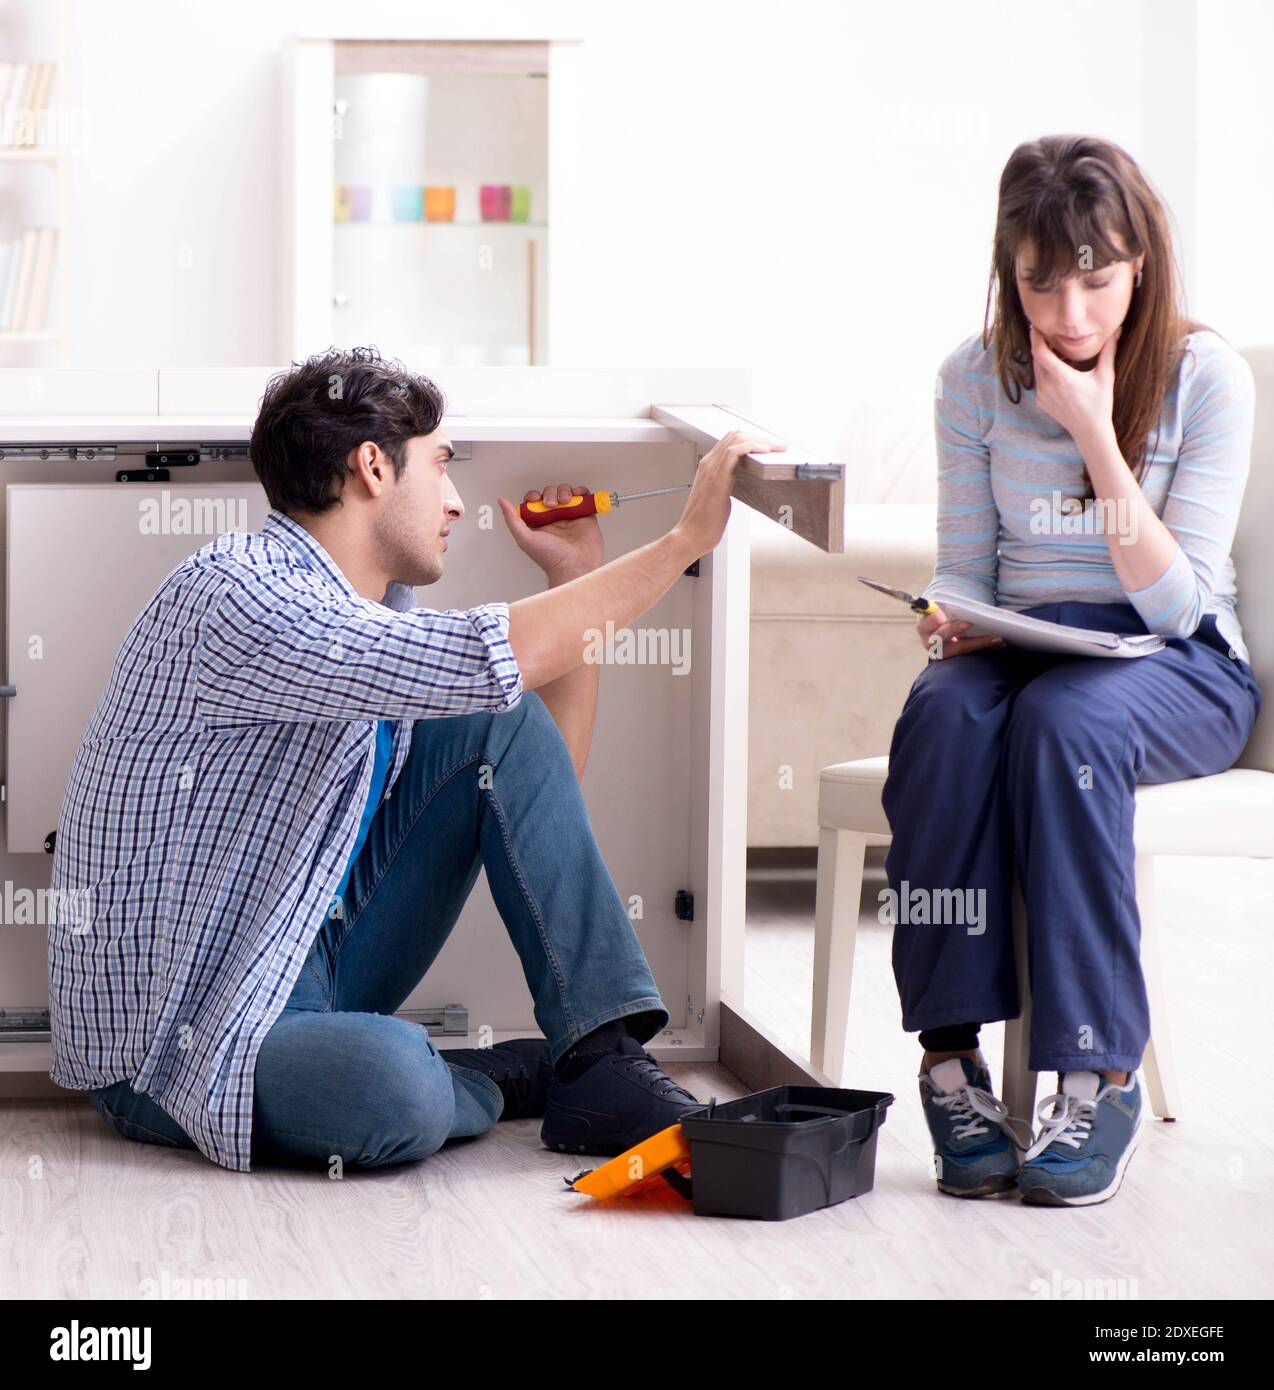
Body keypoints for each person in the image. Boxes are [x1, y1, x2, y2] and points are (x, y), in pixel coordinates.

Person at [49, 346, 784, 1174]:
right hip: (182, 1044)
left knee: (498, 721)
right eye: (441, 466)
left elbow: (533, 783)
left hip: (306, 963)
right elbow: (488, 655)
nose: (457, 501)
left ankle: (598, 1061)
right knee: (393, 1086)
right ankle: (483, 1078)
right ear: (372, 467)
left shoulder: (367, 623)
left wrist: (575, 571)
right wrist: (686, 540)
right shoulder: (241, 593)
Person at [881, 134, 1261, 1206]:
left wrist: (1095, 437)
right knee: (942, 717)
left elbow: (1176, 604)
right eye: (1040, 283)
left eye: (1095, 281)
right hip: (1026, 647)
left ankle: (1097, 1079)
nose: (1070, 314)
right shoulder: (970, 378)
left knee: (1067, 726)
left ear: (1140, 263)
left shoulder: (1205, 378)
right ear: (1007, 270)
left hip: (1176, 665)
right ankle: (951, 1066)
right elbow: (966, 567)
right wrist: (953, 619)